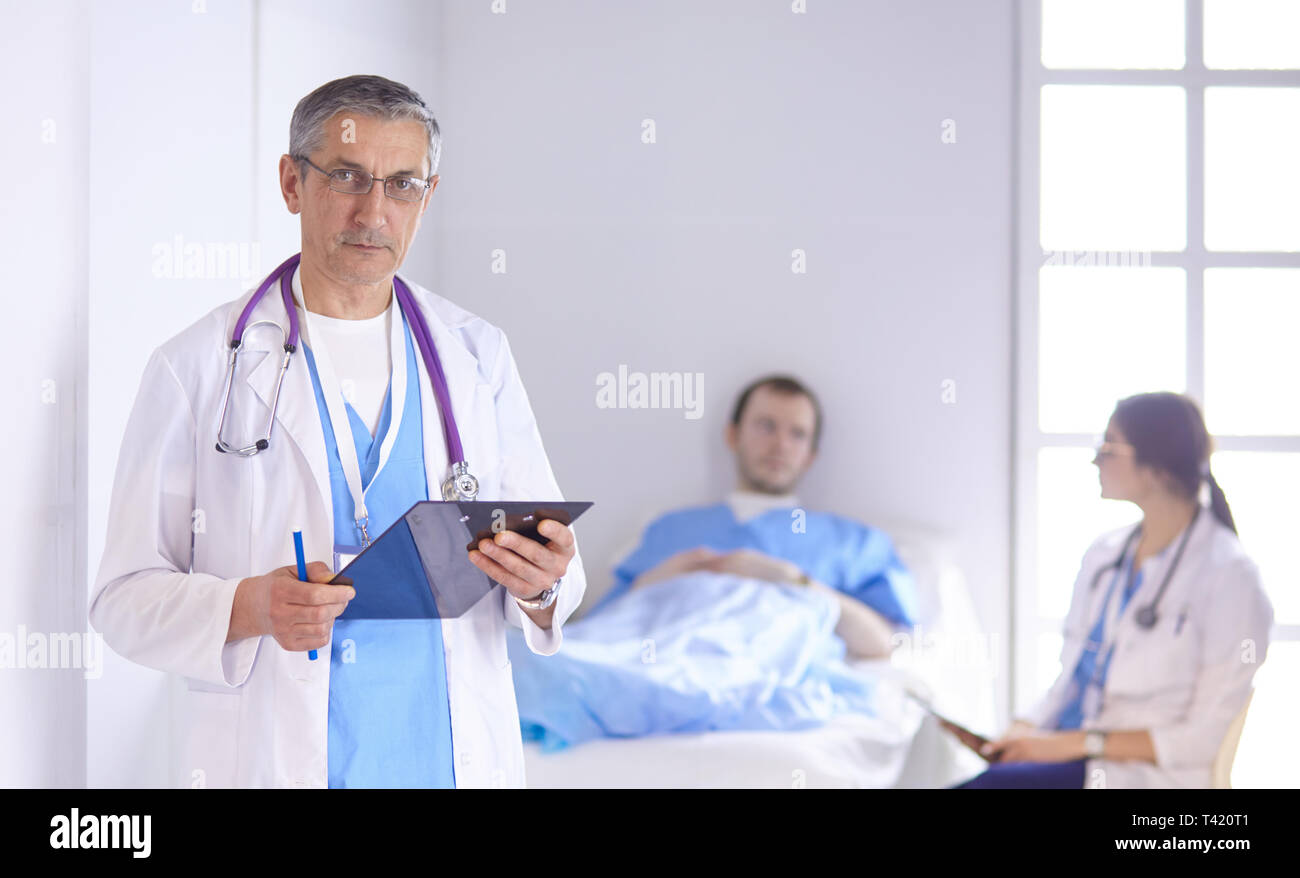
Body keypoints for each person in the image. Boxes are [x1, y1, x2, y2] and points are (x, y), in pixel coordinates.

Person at [89, 75, 587, 788]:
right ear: (293, 182)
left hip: (449, 762)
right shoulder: (195, 368)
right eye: (348, 177)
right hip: (276, 758)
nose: (374, 211)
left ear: (429, 196)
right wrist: (248, 606)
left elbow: (555, 571)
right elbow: (122, 600)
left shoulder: (477, 356)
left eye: (403, 184)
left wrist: (542, 586)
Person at [957, 392, 1273, 789]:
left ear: (1156, 467)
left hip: (1139, 774)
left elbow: (1200, 740)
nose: (1095, 460)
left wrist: (1068, 745)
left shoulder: (1231, 578)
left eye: (1109, 448)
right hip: (1065, 754)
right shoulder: (1104, 555)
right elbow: (1072, 676)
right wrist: (1026, 727)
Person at [590, 375, 916, 659]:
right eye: (766, 426)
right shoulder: (670, 530)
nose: (780, 445)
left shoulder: (848, 542)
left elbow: (884, 644)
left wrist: (791, 579)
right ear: (733, 436)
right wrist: (657, 580)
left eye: (798, 434)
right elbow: (596, 632)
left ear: (810, 456)